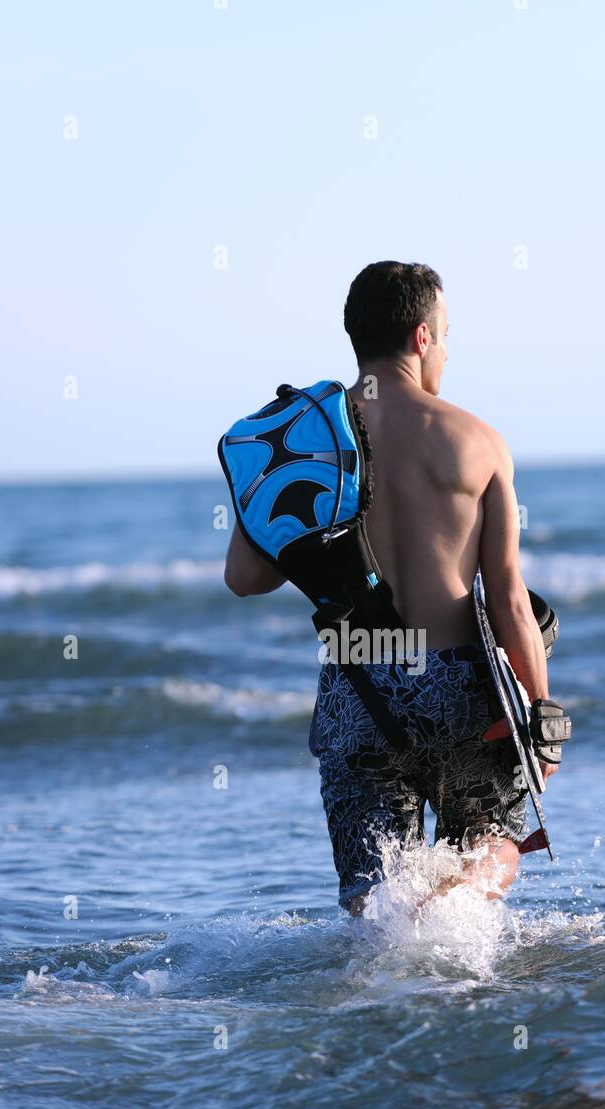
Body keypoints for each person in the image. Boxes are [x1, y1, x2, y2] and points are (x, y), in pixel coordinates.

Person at [224, 261, 556, 916]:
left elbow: (245, 578)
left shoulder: (303, 442)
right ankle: (446, 915)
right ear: (423, 337)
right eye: (447, 333)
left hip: (360, 687)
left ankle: (397, 959)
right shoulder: (479, 442)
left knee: (370, 905)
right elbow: (510, 599)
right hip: (462, 691)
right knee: (495, 851)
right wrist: (540, 710)